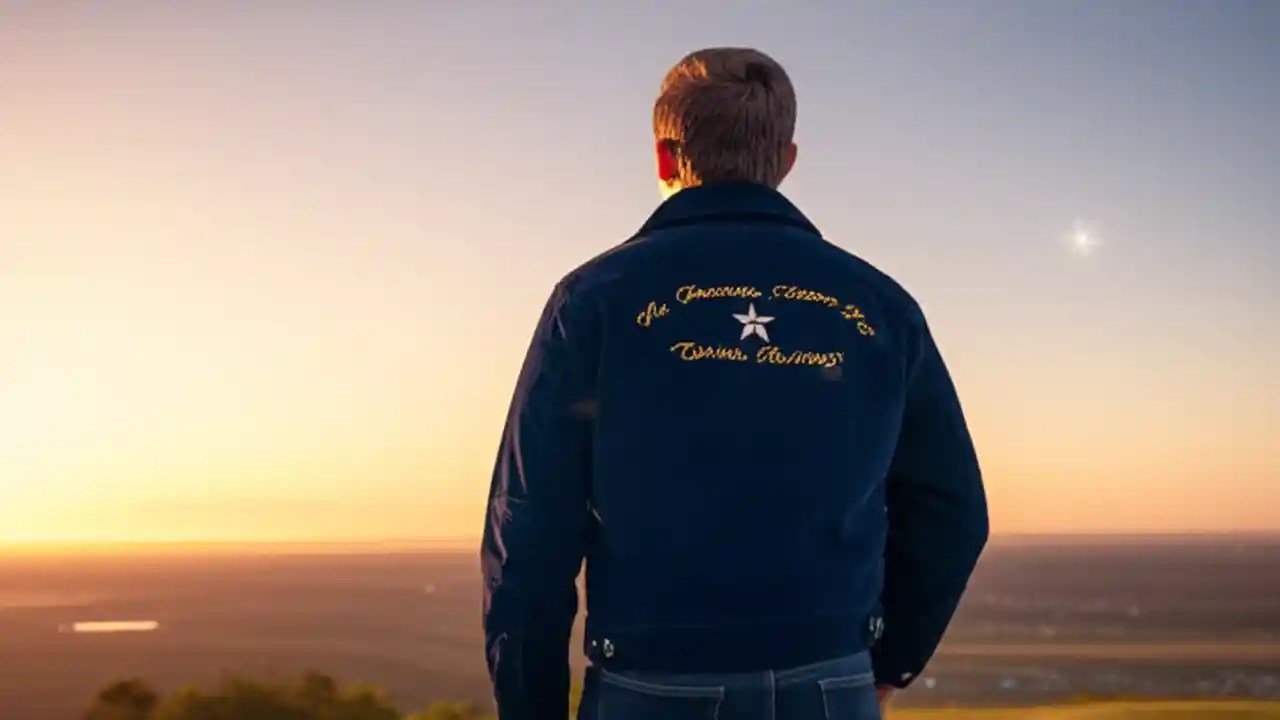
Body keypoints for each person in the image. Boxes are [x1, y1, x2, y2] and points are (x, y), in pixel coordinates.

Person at [481, 47, 989, 720]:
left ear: (664, 158)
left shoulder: (594, 300)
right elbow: (952, 509)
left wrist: (531, 706)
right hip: (834, 683)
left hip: (654, 687)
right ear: (786, 161)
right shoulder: (881, 308)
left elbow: (530, 526)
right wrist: (890, 660)